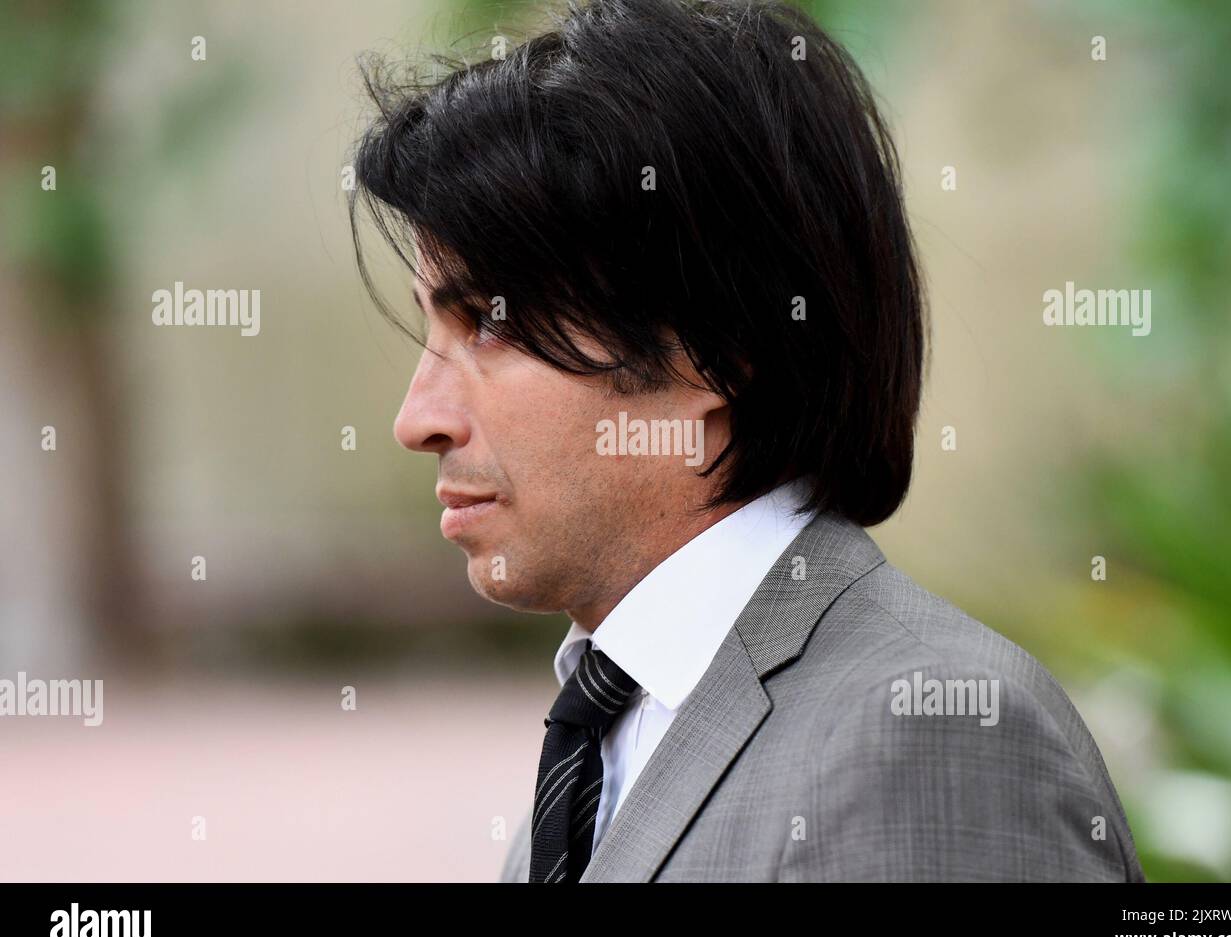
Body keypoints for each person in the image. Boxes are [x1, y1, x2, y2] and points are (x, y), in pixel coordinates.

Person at [348, 0, 1144, 882]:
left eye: (489, 325)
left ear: (715, 359)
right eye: (433, 331)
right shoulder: (610, 727)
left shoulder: (932, 736)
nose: (416, 418)